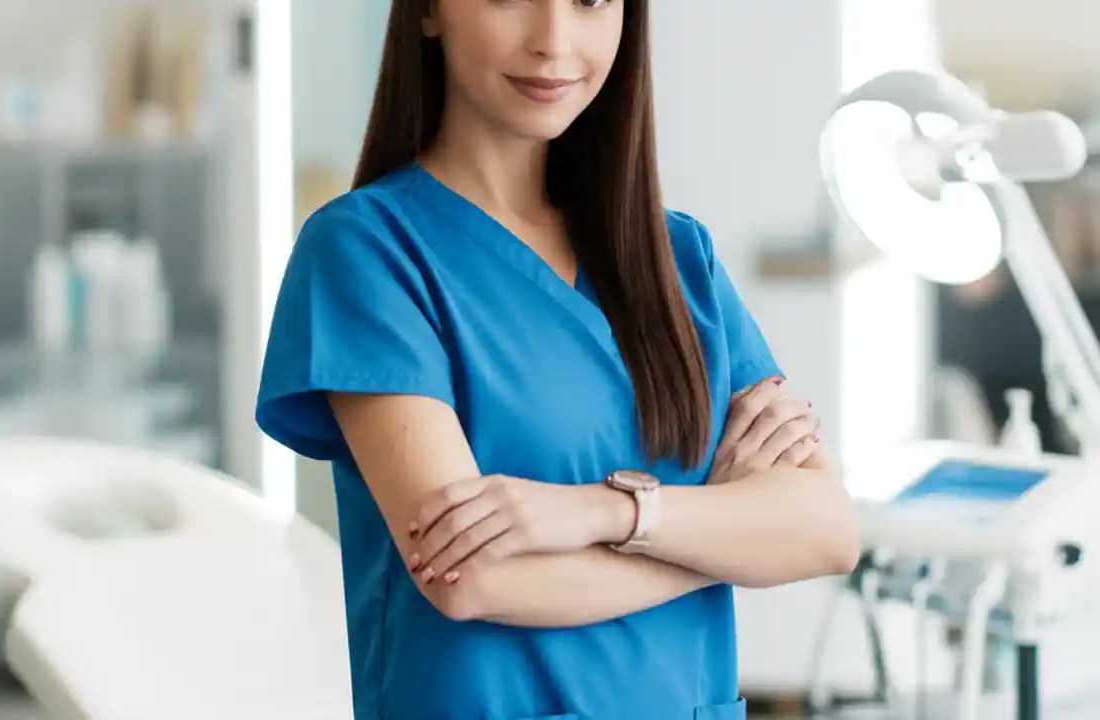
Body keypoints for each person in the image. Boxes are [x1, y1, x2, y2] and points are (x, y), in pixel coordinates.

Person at [256, 1, 861, 717]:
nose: (554, 41)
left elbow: (827, 529)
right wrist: (715, 546)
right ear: (426, 10)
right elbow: (468, 578)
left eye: (591, 2)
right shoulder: (366, 252)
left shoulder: (678, 260)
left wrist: (605, 515)